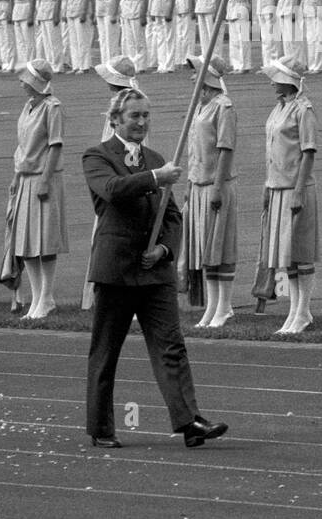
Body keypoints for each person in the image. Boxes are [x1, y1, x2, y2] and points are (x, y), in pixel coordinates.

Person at [82, 86, 228, 450]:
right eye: (135, 115)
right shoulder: (96, 157)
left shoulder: (158, 157)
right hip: (115, 270)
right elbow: (113, 190)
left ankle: (189, 421)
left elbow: (173, 216)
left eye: (146, 115)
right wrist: (154, 178)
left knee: (171, 347)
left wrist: (164, 248)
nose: (142, 122)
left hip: (154, 272)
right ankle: (101, 427)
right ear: (115, 119)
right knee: (106, 350)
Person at [260, 55, 319, 334]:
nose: (272, 83)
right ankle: (296, 310)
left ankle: (302, 310)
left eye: (276, 78)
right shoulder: (278, 108)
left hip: (296, 187)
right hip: (277, 186)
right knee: (287, 254)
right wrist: (266, 184)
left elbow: (308, 151)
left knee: (299, 250)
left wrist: (298, 190)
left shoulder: (302, 109)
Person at [5, 60, 67, 321]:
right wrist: (17, 176)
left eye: (25, 79)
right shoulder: (28, 107)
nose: (21, 83)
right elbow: (23, 146)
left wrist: (45, 178)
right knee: (26, 241)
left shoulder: (52, 107)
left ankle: (46, 296)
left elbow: (55, 145)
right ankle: (36, 297)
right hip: (25, 177)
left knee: (44, 239)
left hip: (44, 178)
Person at [184, 55, 239, 329]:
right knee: (205, 248)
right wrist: (189, 186)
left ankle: (224, 306)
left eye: (196, 73)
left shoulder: (223, 107)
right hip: (198, 185)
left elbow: (225, 149)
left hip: (217, 184)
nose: (192, 77)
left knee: (220, 246)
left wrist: (217, 186)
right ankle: (211, 306)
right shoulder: (199, 107)